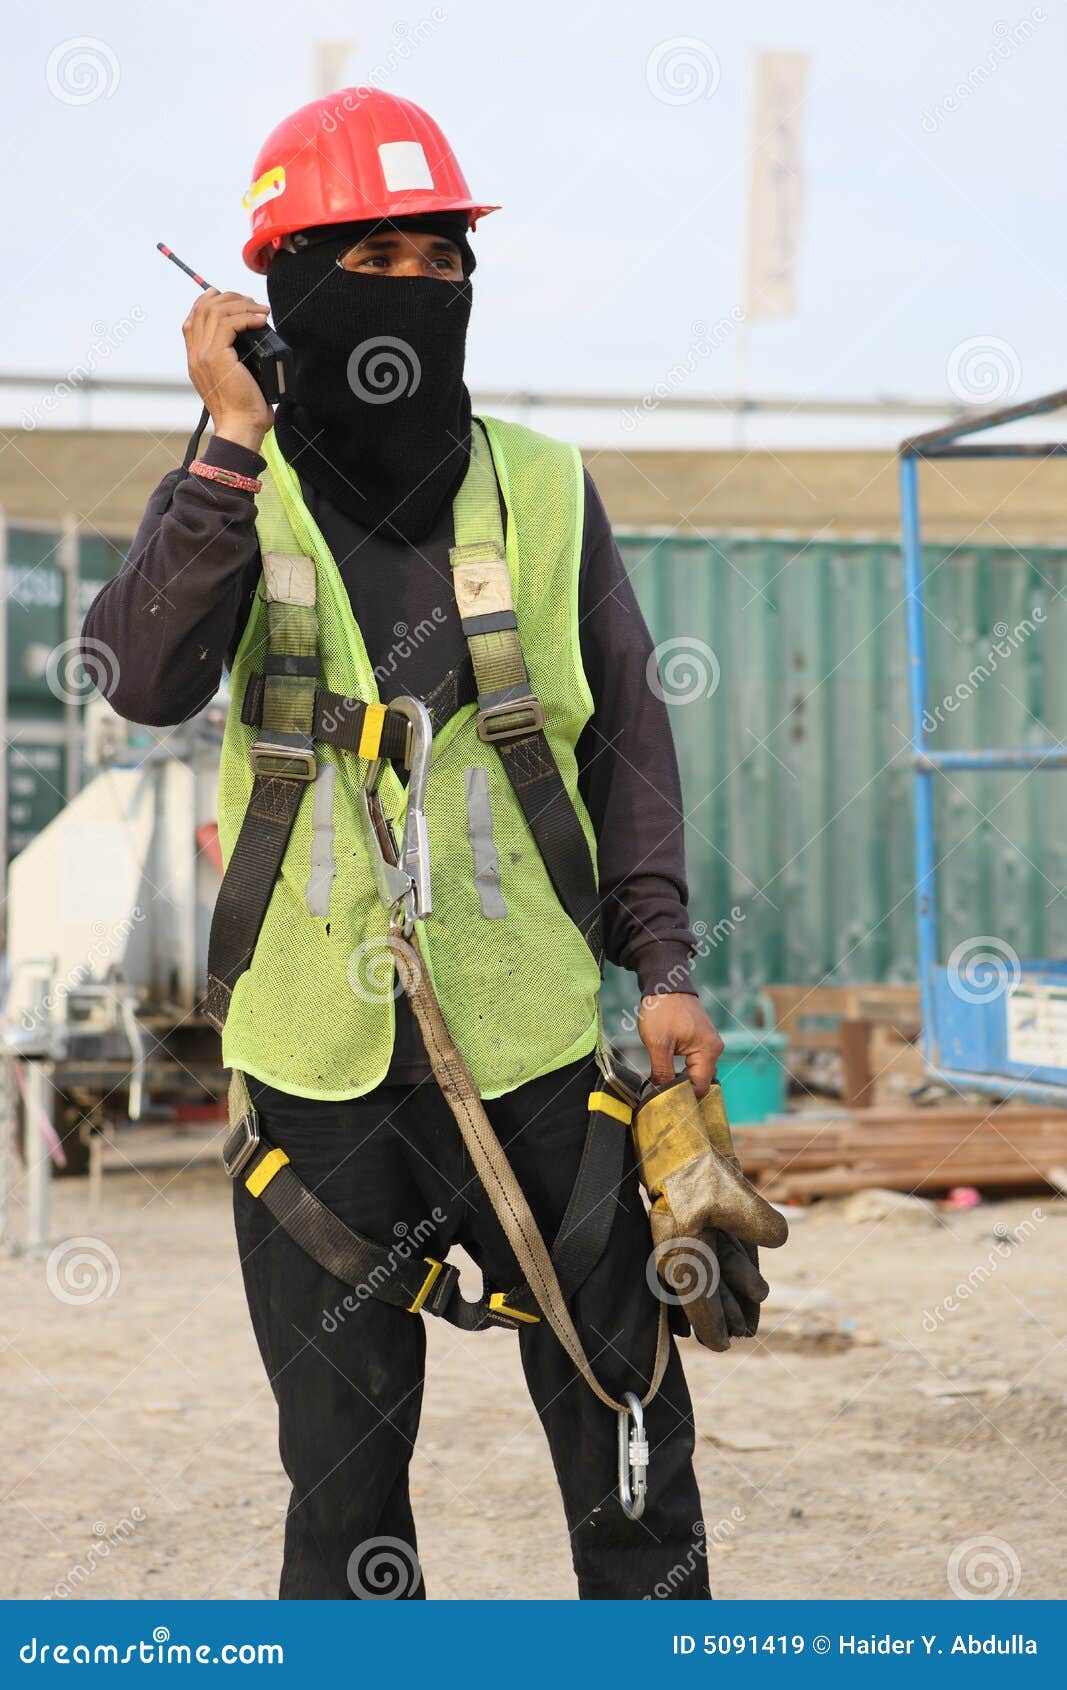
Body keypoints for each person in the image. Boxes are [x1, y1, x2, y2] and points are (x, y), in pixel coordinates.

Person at [84, 88, 729, 1601]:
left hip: (535, 1042)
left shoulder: (546, 486)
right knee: (346, 1475)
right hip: (314, 1065)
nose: (416, 291)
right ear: (289, 283)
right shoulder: (233, 487)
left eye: (441, 262)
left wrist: (665, 963)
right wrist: (230, 441)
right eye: (373, 259)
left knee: (629, 1420)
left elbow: (626, 736)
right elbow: (142, 676)